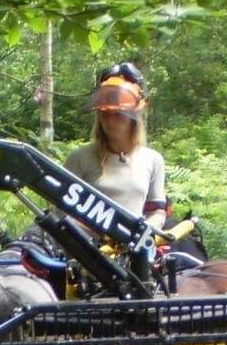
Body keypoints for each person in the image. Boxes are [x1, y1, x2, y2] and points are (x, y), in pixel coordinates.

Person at [61, 62, 169, 230]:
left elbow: (156, 212)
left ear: (134, 114)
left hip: (132, 244)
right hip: (83, 244)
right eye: (105, 113)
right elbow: (60, 210)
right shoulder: (79, 158)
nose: (110, 120)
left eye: (118, 113)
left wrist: (142, 234)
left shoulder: (153, 160)